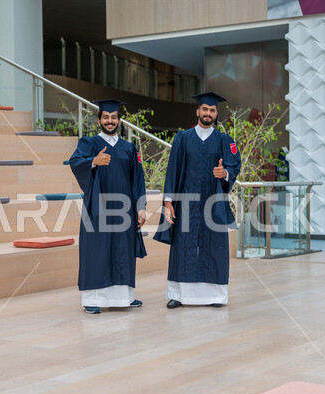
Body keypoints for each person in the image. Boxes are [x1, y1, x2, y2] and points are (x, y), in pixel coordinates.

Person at [154, 92, 241, 309]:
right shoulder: (183, 138)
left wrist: (226, 174)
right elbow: (172, 170)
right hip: (186, 202)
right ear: (198, 111)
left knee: (214, 246)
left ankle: (215, 296)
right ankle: (178, 295)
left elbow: (234, 166)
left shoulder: (224, 140)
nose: (208, 113)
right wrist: (168, 202)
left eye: (212, 110)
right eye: (205, 109)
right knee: (183, 246)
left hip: (213, 203)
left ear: (216, 113)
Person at [68, 99, 147, 314]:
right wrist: (93, 161)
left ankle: (124, 298)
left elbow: (138, 178)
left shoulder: (129, 148)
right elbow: (75, 162)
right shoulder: (89, 143)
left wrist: (141, 207)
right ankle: (92, 299)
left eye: (114, 117)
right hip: (97, 207)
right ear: (99, 119)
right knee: (97, 251)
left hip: (124, 209)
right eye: (106, 117)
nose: (110, 121)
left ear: (119, 120)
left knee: (123, 250)